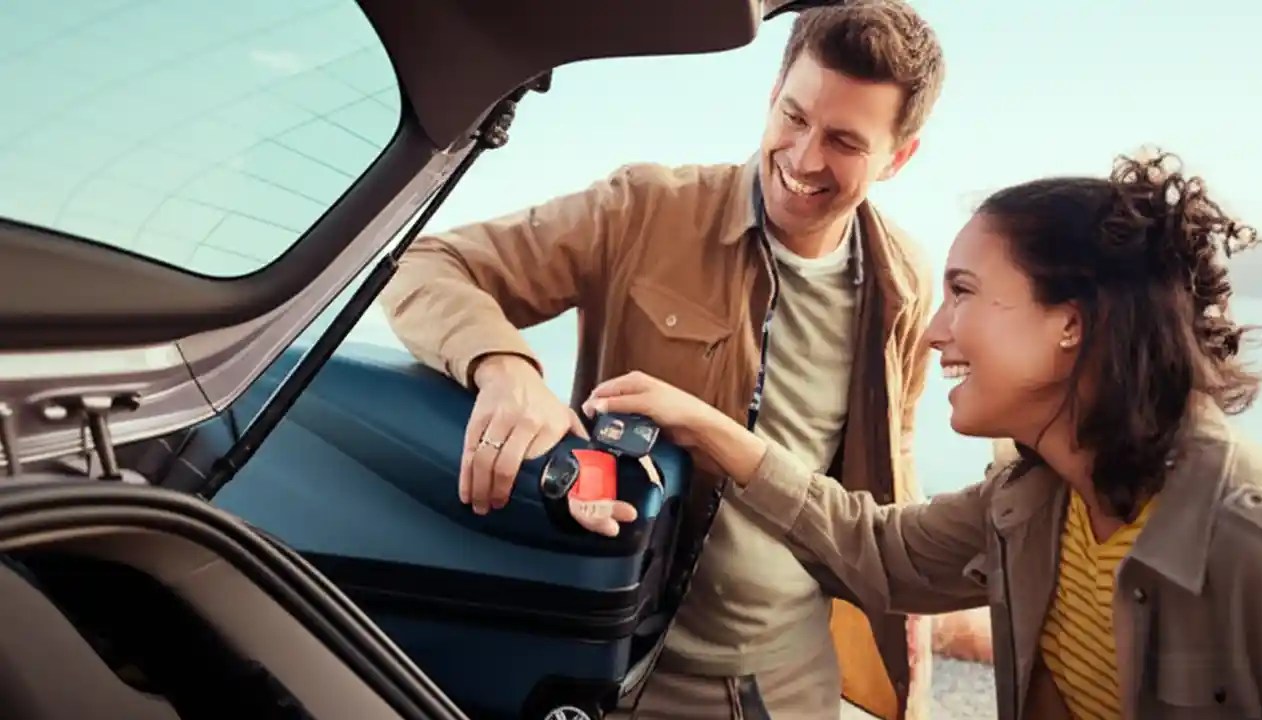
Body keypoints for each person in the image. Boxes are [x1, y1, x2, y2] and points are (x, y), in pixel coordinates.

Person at [379, 3, 957, 717]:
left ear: (899, 157)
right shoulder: (645, 208)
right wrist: (506, 370)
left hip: (792, 674)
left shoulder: (905, 280)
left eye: (844, 141)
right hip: (633, 665)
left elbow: (893, 457)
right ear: (772, 97)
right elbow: (426, 266)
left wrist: (913, 649)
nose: (805, 159)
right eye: (795, 117)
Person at [584, 150, 1262, 719]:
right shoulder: (1033, 499)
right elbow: (880, 552)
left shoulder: (1254, 541)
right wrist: (711, 429)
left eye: (965, 292)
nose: (935, 329)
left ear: (1071, 323)